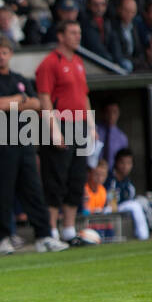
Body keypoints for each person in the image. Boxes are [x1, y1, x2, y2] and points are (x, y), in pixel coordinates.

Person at [0, 36, 68, 255]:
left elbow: (37, 103)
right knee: (2, 192)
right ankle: (1, 238)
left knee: (33, 190)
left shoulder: (19, 78)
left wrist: (16, 102)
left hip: (24, 140)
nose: (2, 57)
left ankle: (44, 235)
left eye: (5, 52)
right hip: (1, 142)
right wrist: (22, 101)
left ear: (10, 54)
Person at [35, 20, 93, 246]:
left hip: (79, 124)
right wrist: (54, 130)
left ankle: (69, 228)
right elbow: (44, 98)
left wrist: (91, 124)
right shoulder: (49, 63)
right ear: (61, 36)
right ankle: (51, 230)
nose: (78, 36)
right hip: (60, 123)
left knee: (76, 178)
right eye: (73, 32)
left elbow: (84, 95)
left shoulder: (78, 61)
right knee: (55, 178)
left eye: (79, 32)